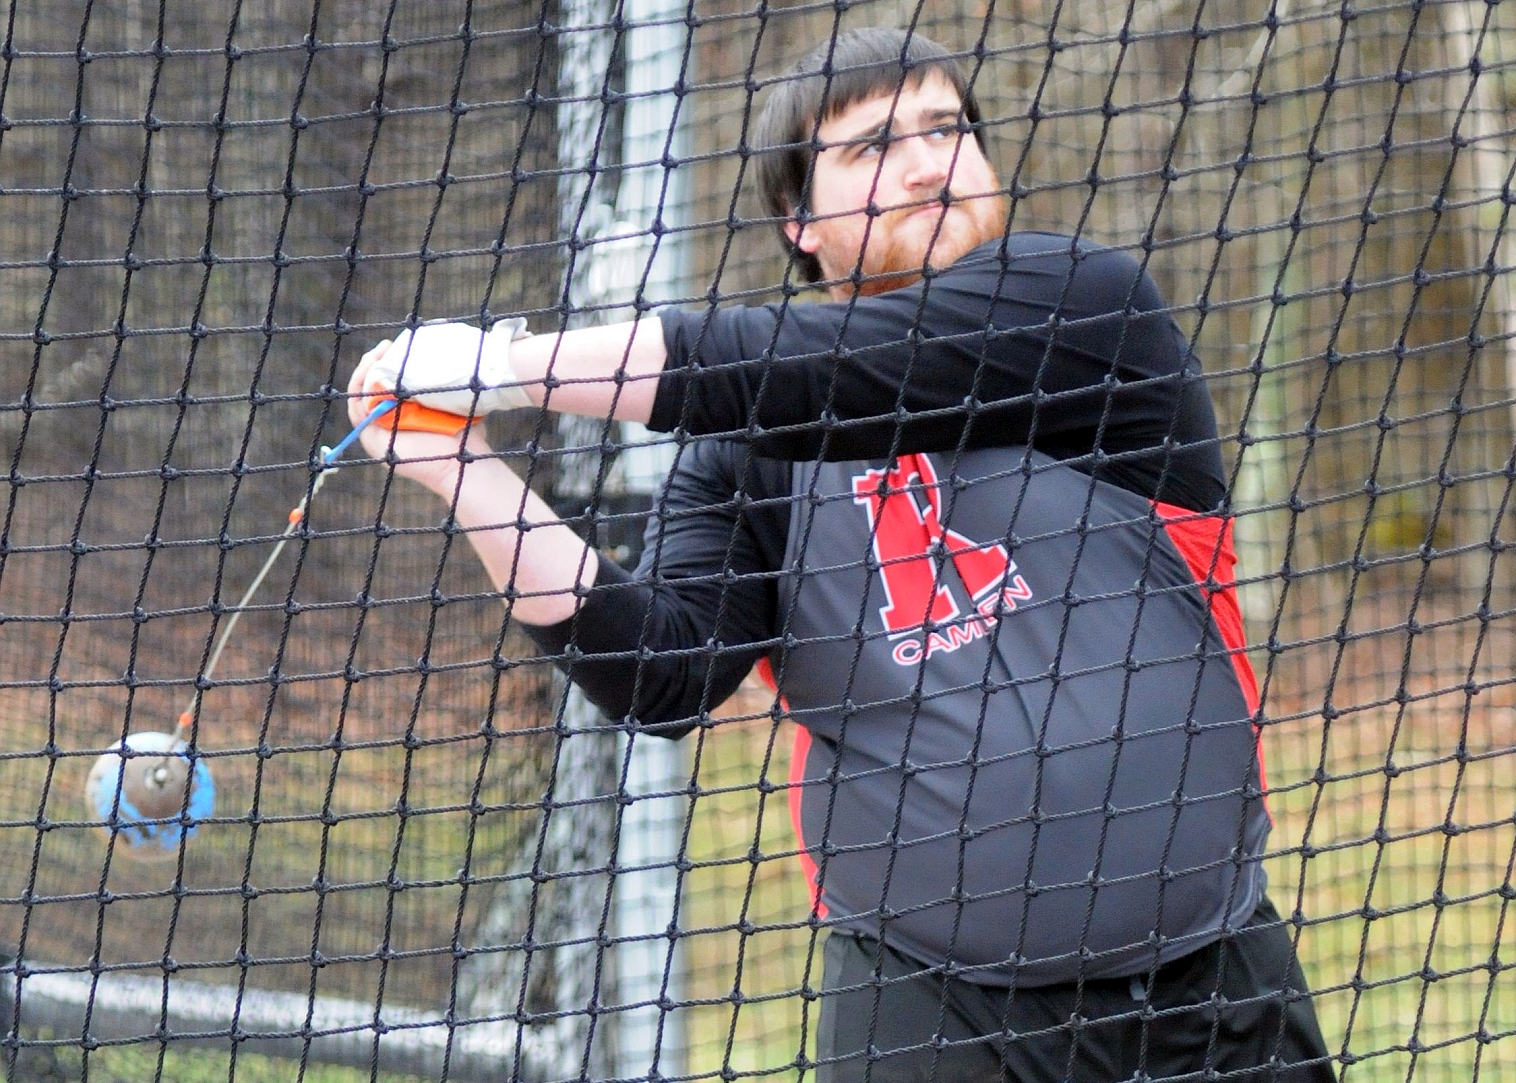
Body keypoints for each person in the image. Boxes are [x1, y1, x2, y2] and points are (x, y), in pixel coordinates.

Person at [349, 27, 1333, 1083]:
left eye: (948, 128)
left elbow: (834, 367)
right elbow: (660, 671)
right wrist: (467, 475)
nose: (927, 162)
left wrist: (506, 364)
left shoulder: (1085, 310)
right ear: (800, 223)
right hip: (935, 1013)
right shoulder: (746, 456)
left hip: (1211, 992)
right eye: (871, 147)